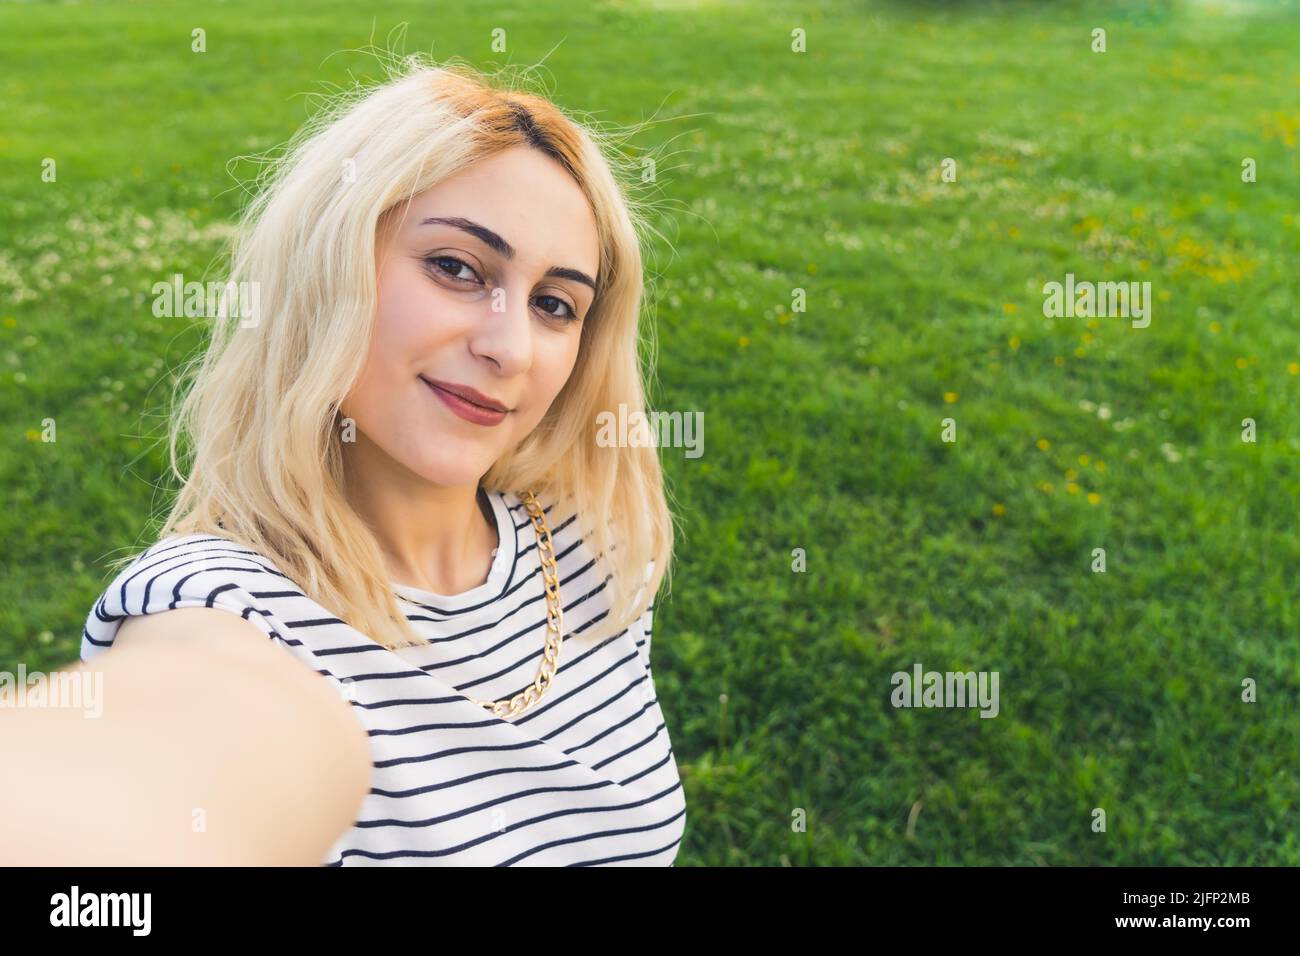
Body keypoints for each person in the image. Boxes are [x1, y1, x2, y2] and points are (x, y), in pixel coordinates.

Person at [1, 57, 682, 866]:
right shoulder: (229, 612)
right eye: (457, 268)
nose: (509, 348)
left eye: (554, 304)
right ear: (328, 267)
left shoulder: (587, 547)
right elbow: (143, 776)